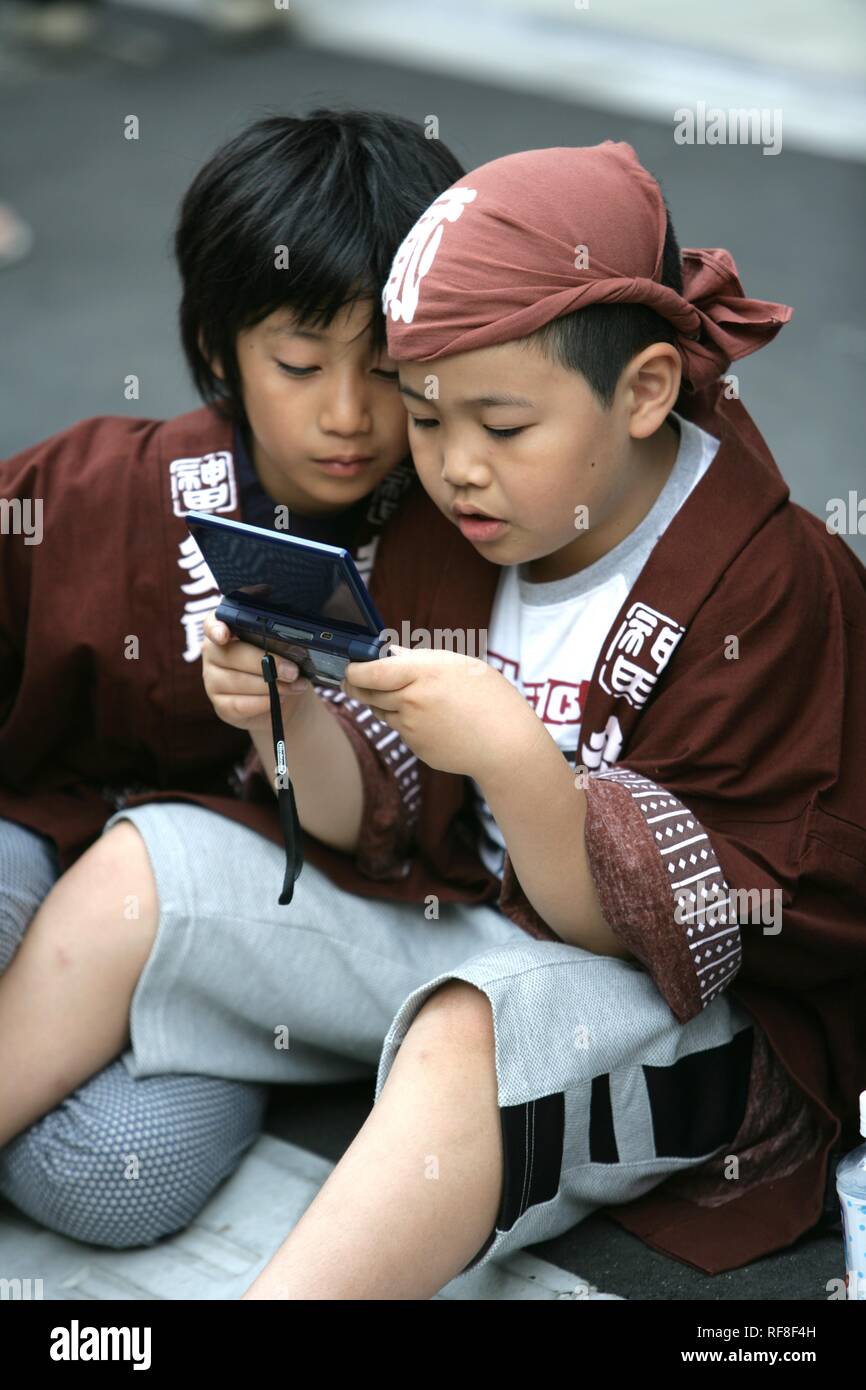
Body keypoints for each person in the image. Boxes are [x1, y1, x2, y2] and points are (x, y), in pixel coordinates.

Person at [0, 108, 466, 1246]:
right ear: (217, 348)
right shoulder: (100, 484)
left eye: (390, 368)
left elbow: (401, 827)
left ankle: (154, 1030)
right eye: (299, 364)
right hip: (39, 837)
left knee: (107, 1172)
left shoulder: (460, 538)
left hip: (251, 940)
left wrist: (289, 714)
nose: (349, 415)